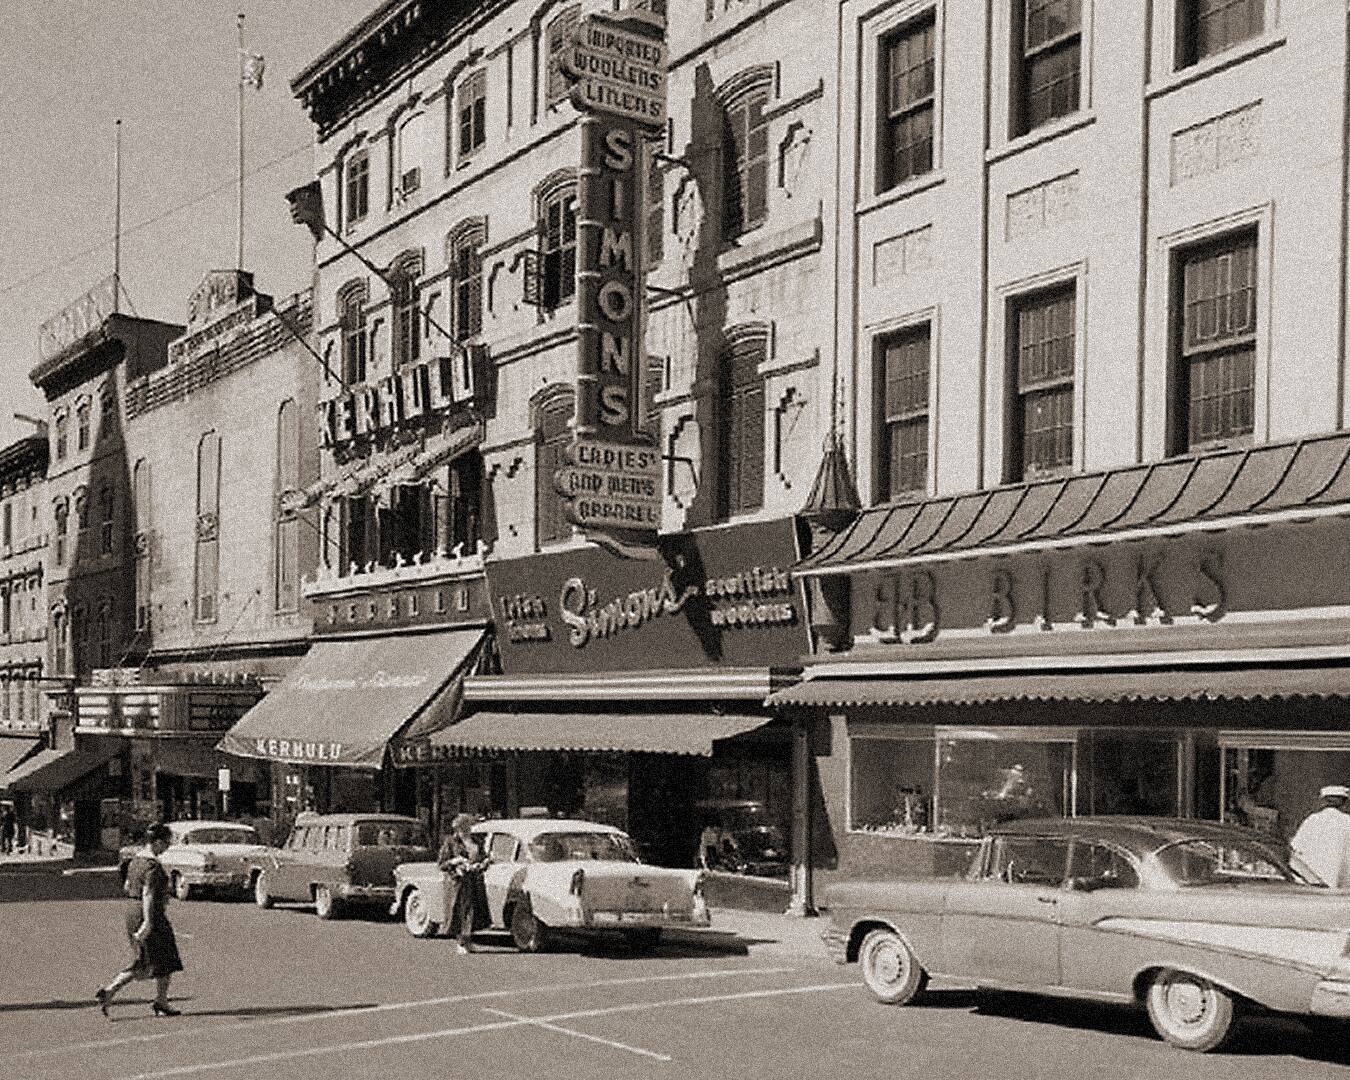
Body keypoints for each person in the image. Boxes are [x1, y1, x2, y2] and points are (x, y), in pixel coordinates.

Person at [94, 823, 185, 1018]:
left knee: (162, 958)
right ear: (158, 842)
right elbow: (148, 894)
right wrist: (148, 922)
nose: (167, 847)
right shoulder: (152, 866)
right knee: (147, 961)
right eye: (166, 843)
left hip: (132, 910)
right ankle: (110, 990)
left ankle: (161, 1001)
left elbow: (128, 886)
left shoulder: (135, 861)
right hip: (149, 913)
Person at [438, 813, 490, 954]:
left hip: (474, 879)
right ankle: (461, 942)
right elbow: (442, 864)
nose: (464, 831)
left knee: (473, 911)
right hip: (458, 882)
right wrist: (456, 862)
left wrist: (483, 863)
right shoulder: (451, 843)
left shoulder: (477, 841)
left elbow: (484, 857)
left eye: (467, 827)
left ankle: (468, 940)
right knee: (460, 911)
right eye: (462, 828)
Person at [1290, 785, 1350, 887]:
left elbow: (1295, 849)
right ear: (1343, 803)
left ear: (1324, 801)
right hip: (1342, 887)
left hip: (1312, 883)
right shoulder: (1347, 821)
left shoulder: (1312, 820)